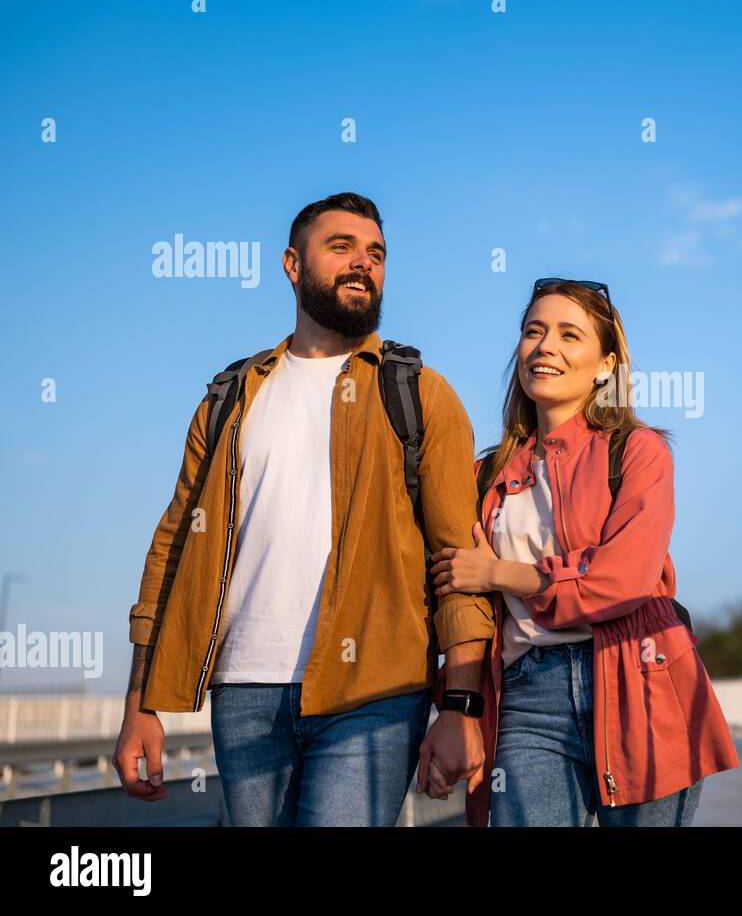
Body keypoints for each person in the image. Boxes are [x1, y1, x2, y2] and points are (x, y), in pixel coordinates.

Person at [113, 192, 492, 825]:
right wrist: (138, 703)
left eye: (375, 253)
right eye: (341, 247)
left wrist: (461, 706)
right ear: (293, 264)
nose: (362, 264)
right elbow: (173, 549)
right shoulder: (230, 397)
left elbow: (460, 564)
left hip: (375, 689)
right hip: (244, 690)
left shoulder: (418, 391)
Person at [419, 278, 739, 826]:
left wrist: (501, 573)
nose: (545, 347)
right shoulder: (485, 477)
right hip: (526, 698)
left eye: (570, 335)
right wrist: (453, 707)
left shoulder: (639, 452)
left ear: (604, 365)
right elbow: (454, 597)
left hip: (641, 684)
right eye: (533, 332)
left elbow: (623, 580)